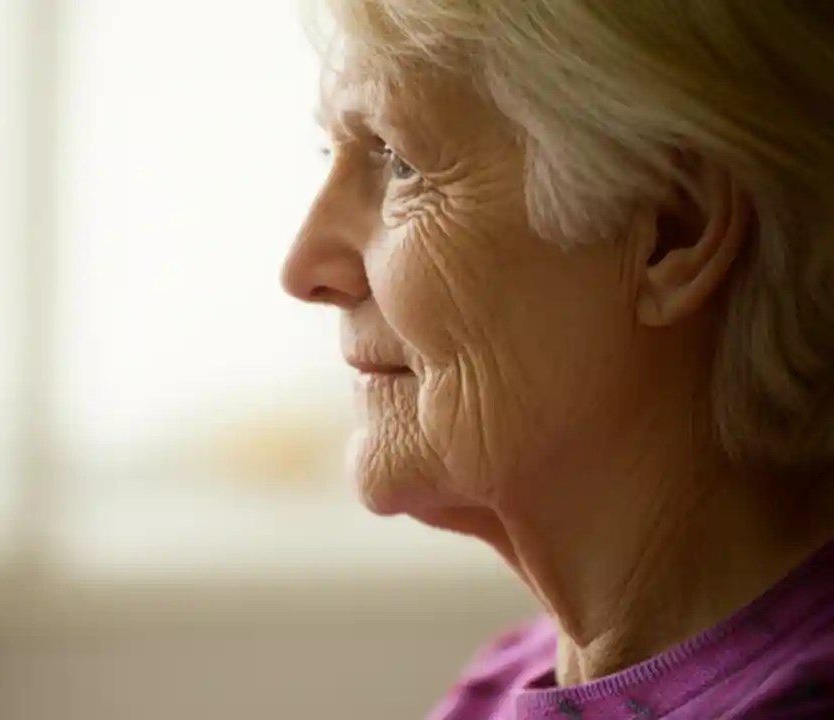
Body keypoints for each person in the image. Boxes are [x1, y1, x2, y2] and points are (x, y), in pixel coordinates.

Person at [280, 2, 834, 717]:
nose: (304, 268)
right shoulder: (506, 681)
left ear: (672, 228)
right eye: (335, 155)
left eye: (400, 161)